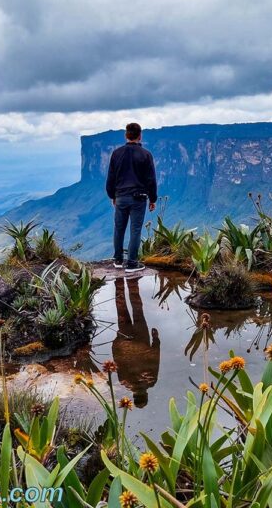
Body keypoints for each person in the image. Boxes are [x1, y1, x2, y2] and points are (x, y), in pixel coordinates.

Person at [105, 122, 157, 272]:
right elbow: (151, 180)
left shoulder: (116, 153)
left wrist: (112, 195)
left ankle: (118, 260)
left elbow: (111, 178)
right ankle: (132, 264)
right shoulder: (146, 155)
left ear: (126, 135)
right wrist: (152, 199)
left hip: (120, 196)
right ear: (140, 136)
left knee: (119, 228)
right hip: (139, 199)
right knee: (135, 230)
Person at [111, 277, 160, 407]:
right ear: (134, 396)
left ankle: (132, 283)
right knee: (121, 308)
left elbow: (155, 359)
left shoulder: (150, 381)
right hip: (125, 343)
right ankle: (119, 282)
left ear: (146, 395)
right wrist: (116, 343)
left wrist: (156, 340)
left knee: (137, 310)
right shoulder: (125, 381)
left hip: (140, 340)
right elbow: (117, 360)